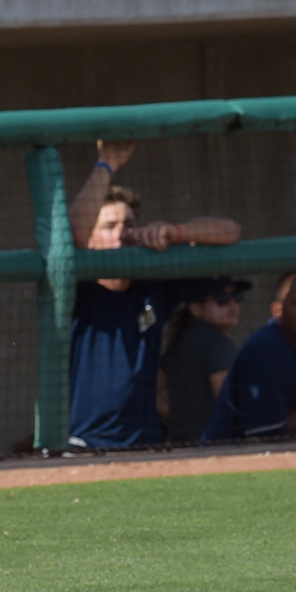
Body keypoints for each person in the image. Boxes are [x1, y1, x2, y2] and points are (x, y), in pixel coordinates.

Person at [67, 140, 241, 448]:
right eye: (110, 226)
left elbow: (231, 231)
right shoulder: (80, 287)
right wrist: (106, 163)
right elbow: (74, 231)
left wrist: (176, 233)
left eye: (129, 224)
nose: (122, 232)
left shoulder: (153, 287)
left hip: (145, 444)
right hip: (84, 443)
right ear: (91, 240)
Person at [203, 269, 296, 440]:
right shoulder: (264, 350)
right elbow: (266, 434)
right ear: (278, 311)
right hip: (227, 456)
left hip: (290, 447)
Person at [158, 277, 249, 443]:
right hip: (213, 447)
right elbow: (228, 402)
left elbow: (154, 393)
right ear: (196, 308)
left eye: (237, 297)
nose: (232, 305)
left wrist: (181, 416)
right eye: (221, 299)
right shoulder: (217, 343)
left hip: (180, 446)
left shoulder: (179, 341)